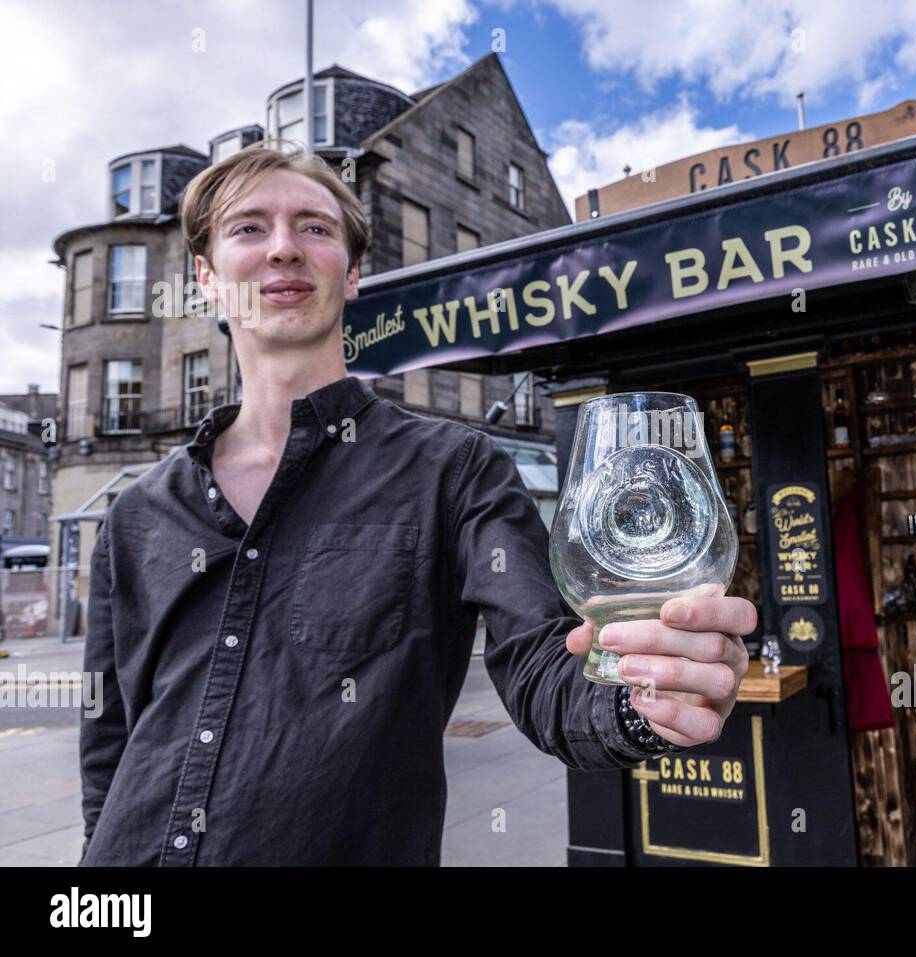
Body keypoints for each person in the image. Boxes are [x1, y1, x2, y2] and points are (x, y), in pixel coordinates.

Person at [78, 142, 757, 866]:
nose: (283, 248)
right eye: (249, 228)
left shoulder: (455, 471)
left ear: (354, 269)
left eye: (314, 227)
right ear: (207, 278)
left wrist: (642, 699)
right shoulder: (138, 512)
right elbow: (109, 743)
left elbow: (544, 663)